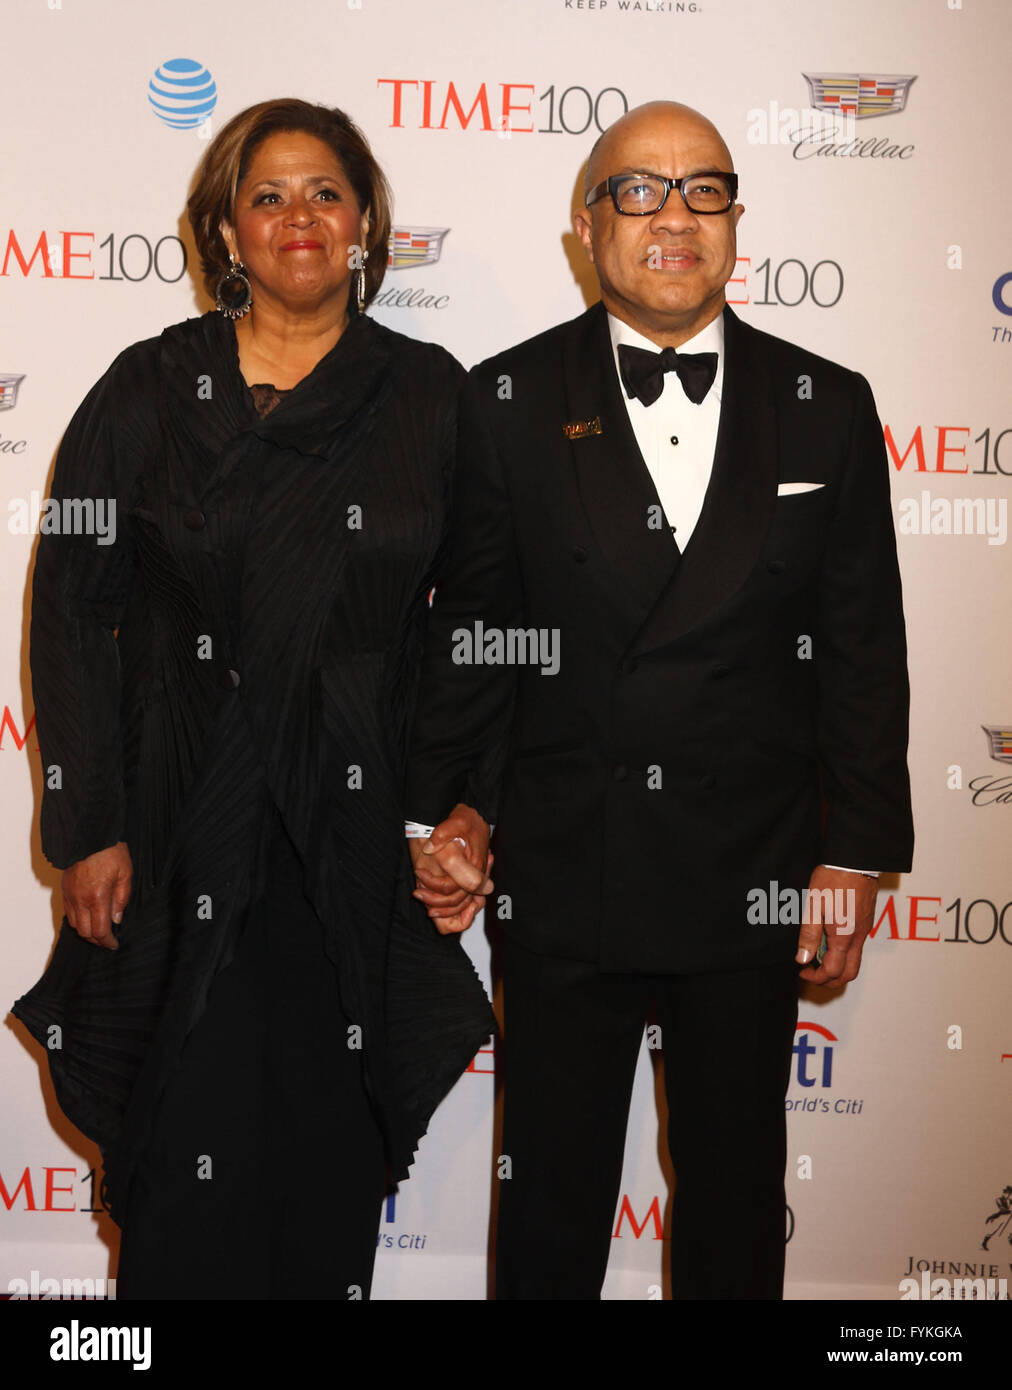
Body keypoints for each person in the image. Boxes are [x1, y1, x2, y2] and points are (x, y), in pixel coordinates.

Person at [404, 100, 914, 1299]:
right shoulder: (508, 400)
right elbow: (479, 637)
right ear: (588, 228)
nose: (672, 217)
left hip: (751, 870)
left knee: (736, 1199)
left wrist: (852, 858)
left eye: (703, 190)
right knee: (549, 1205)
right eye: (637, 191)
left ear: (737, 218)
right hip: (566, 863)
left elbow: (860, 644)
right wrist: (450, 813)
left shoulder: (826, 403)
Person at [11, 98, 494, 1300]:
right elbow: (73, 603)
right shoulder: (149, 389)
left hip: (349, 834)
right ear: (224, 231)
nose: (298, 219)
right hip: (180, 824)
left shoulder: (430, 397)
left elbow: (477, 632)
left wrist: (463, 811)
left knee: (325, 1161)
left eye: (325, 192)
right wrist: (86, 824)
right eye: (267, 196)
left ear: (366, 222)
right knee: (183, 1151)